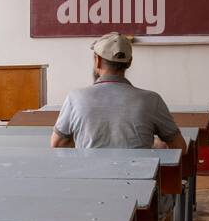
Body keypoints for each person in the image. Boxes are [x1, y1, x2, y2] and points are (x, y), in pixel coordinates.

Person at [51, 32, 187, 151]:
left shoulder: (75, 98)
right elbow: (180, 146)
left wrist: (84, 143)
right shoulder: (151, 100)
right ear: (129, 63)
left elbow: (57, 144)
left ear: (97, 61)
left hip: (90, 178)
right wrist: (153, 145)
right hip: (137, 179)